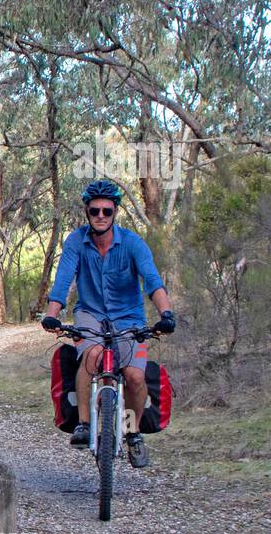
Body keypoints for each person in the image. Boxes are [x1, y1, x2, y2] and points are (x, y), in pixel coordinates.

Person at [40, 180, 177, 468]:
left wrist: (166, 314)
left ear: (115, 212)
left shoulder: (132, 243)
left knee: (135, 377)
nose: (100, 216)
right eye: (94, 211)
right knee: (92, 355)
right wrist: (52, 314)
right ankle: (85, 425)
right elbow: (63, 280)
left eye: (106, 211)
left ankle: (133, 433)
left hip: (129, 318)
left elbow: (152, 282)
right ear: (87, 213)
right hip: (90, 313)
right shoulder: (76, 241)